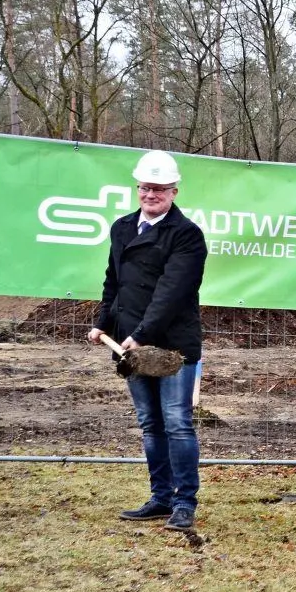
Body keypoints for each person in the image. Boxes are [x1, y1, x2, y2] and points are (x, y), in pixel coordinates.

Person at [88, 150, 207, 532]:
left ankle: (185, 502)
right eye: (144, 187)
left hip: (171, 344)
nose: (150, 194)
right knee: (150, 423)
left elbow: (172, 292)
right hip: (130, 342)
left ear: (173, 191)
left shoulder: (187, 235)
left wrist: (140, 336)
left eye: (158, 188)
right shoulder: (122, 227)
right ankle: (161, 497)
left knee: (176, 422)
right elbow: (114, 282)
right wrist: (102, 322)